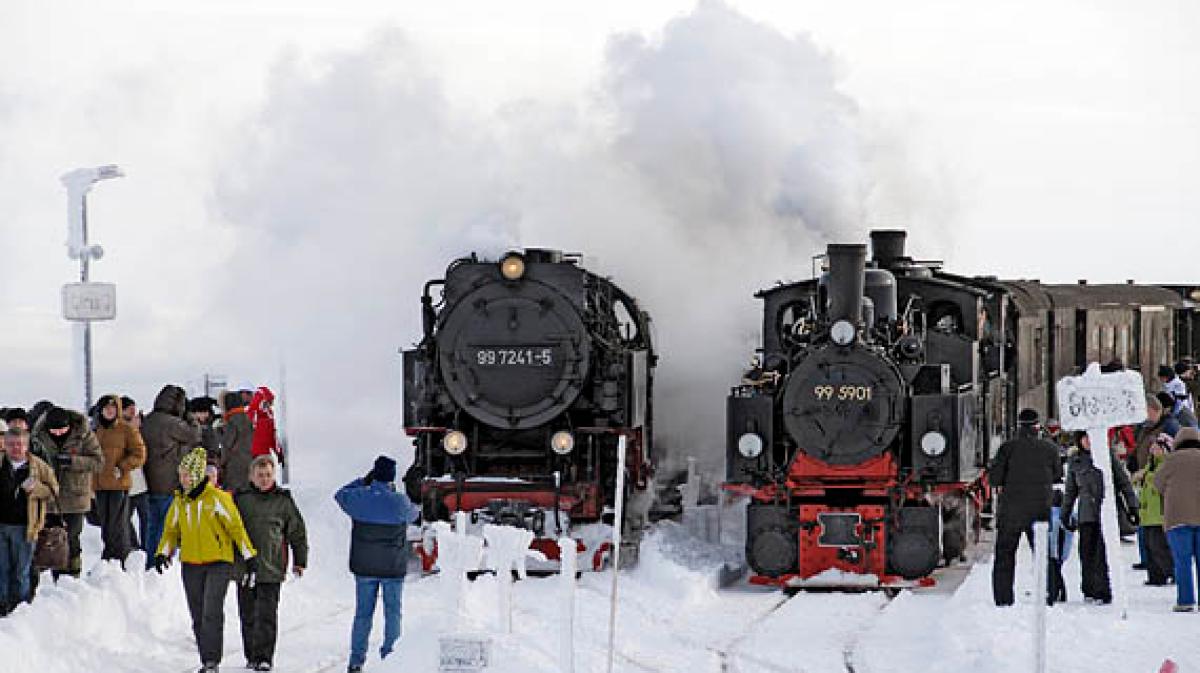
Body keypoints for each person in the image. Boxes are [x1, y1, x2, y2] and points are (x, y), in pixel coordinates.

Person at [155, 447, 259, 673]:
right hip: (191, 563)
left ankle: (212, 661)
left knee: (211, 610)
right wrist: (163, 552)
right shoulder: (180, 501)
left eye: (186, 475)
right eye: (180, 475)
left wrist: (249, 555)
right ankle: (206, 658)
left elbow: (236, 528)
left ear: (197, 475)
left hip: (218, 562)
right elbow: (170, 530)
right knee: (197, 612)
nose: (182, 479)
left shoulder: (217, 498)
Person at [334, 456, 419, 672]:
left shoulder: (359, 498)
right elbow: (415, 514)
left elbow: (339, 494)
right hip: (392, 568)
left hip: (364, 568)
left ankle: (356, 661)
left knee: (363, 614)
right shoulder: (399, 502)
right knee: (393, 613)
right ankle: (389, 658)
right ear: (392, 477)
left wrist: (362, 481)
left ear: (374, 474)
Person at [234, 455, 309, 671]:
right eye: (260, 475)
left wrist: (300, 560)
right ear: (252, 476)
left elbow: (297, 532)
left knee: (266, 615)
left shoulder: (283, 501)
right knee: (248, 614)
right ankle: (251, 655)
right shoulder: (241, 499)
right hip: (246, 568)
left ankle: (264, 657)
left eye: (268, 475)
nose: (264, 479)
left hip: (271, 567)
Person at [988, 408, 1063, 607]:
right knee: (1042, 554)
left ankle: (1003, 598)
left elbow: (994, 479)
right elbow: (1057, 475)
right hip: (1040, 510)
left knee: (1005, 555)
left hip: (1011, 510)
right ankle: (1049, 594)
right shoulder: (1050, 449)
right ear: (1037, 426)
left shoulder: (1007, 448)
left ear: (1019, 426)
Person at [1061, 432, 1139, 604]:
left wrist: (1132, 506)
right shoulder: (1076, 461)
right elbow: (1070, 491)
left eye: (1091, 437)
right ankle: (1089, 589)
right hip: (1086, 514)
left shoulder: (1107, 458)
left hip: (1107, 511)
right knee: (1086, 552)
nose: (1088, 441)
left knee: (1102, 553)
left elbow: (1124, 483)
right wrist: (1065, 514)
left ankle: (1103, 590)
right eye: (1084, 438)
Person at [29, 406, 103, 578]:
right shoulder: (37, 438)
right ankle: (57, 577)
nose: (58, 434)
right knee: (52, 540)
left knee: (72, 538)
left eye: (62, 429)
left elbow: (98, 462)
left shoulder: (83, 435)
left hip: (75, 497)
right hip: (50, 498)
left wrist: (72, 462)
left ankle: (73, 575)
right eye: (54, 430)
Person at [141, 385, 202, 568]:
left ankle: (151, 562)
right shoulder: (173, 424)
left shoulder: (149, 421)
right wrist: (189, 416)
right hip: (169, 482)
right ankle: (161, 562)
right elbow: (194, 435)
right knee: (166, 526)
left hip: (150, 481)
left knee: (152, 525)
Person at [0, 429, 58, 615]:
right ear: (5, 445)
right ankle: (2, 604)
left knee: (21, 571)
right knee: (2, 568)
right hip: (1, 525)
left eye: (20, 444)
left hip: (25, 526)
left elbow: (54, 490)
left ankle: (20, 608)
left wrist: (36, 488)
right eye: (11, 444)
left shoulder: (38, 466)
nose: (16, 448)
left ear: (26, 445)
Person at [92, 395, 146, 564]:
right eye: (106, 408)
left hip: (118, 484)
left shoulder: (127, 429)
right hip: (99, 484)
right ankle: (109, 558)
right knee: (105, 524)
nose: (109, 411)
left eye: (113, 408)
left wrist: (122, 466)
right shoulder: (95, 430)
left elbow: (139, 454)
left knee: (118, 524)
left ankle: (119, 558)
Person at [1153, 425, 1200, 612]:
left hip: (1177, 518)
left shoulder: (1171, 460)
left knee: (1182, 561)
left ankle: (1186, 601)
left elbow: (1157, 483)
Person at [1133, 432, 1175, 585]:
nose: (1154, 450)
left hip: (1160, 513)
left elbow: (1160, 482)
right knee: (1150, 546)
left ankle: (1169, 571)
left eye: (1157, 448)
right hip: (1147, 512)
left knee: (1160, 546)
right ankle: (1156, 575)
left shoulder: (1167, 464)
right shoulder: (1150, 465)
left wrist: (1145, 477)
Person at [122, 397, 151, 551]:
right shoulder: (119, 429)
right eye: (129, 409)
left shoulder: (140, 426)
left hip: (141, 482)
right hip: (126, 482)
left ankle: (145, 547)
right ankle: (133, 546)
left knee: (146, 517)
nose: (132, 412)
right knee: (125, 518)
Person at [219, 392, 254, 493]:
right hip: (248, 463)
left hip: (235, 467)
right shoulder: (248, 419)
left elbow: (227, 443)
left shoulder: (231, 421)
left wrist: (218, 431)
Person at [247, 387, 285, 468]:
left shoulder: (248, 413)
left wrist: (279, 452)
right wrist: (279, 453)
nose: (271, 405)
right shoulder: (268, 417)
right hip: (261, 456)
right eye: (270, 402)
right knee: (265, 478)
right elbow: (273, 438)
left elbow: (273, 438)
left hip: (252, 456)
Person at [1047, 488, 1072, 605]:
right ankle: (1060, 593)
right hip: (1061, 553)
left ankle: (1055, 593)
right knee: (1057, 572)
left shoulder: (1051, 516)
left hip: (1053, 551)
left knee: (1054, 573)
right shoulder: (1066, 516)